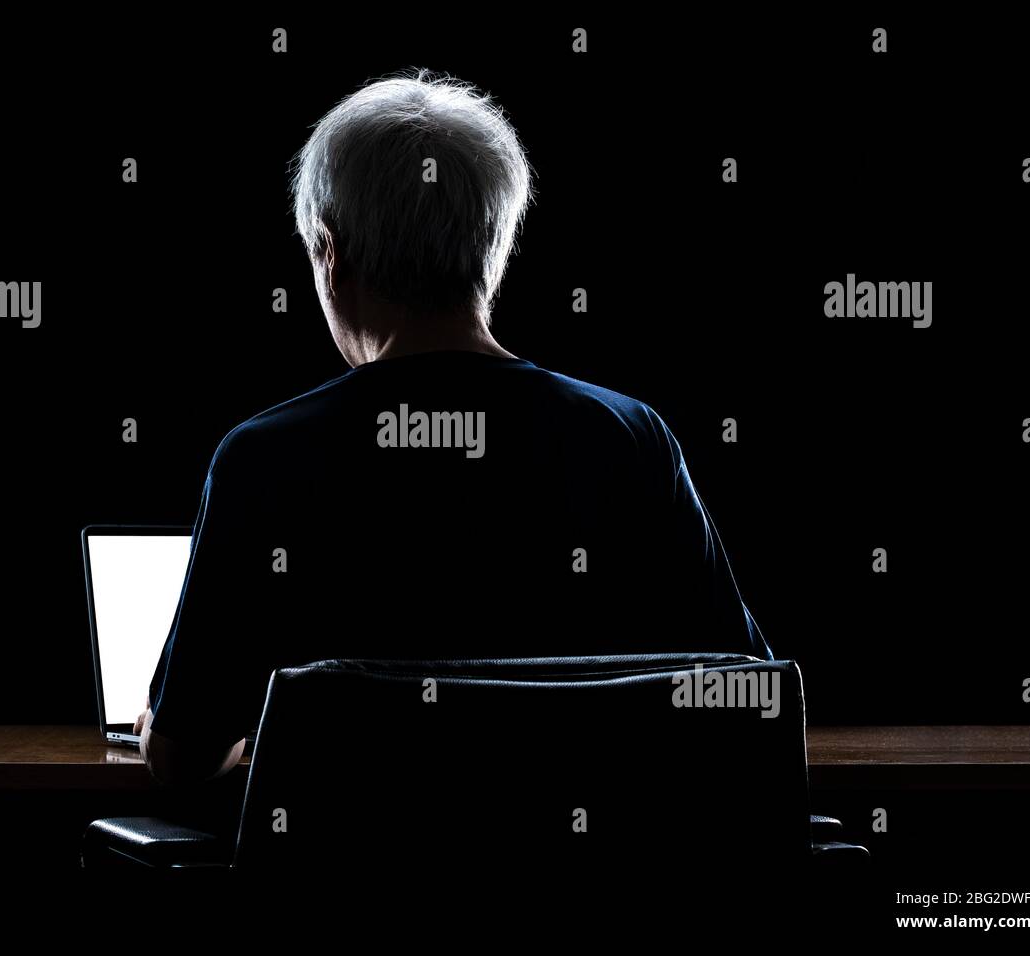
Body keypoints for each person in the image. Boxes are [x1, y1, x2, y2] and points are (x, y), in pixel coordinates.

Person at [136, 70, 770, 784]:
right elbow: (750, 696)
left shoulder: (264, 459)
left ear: (330, 254)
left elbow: (184, 760)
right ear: (494, 250)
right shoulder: (629, 439)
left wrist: (169, 726)